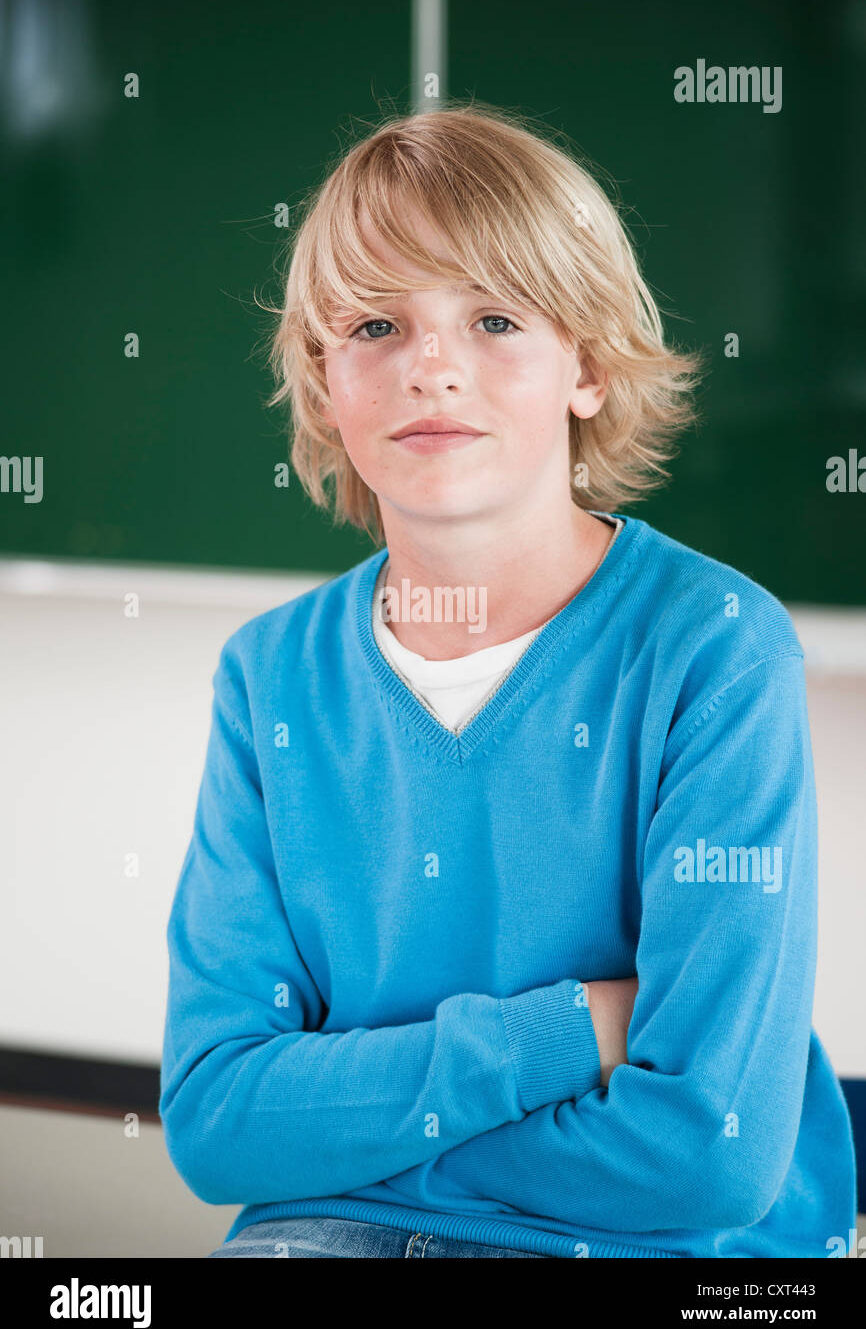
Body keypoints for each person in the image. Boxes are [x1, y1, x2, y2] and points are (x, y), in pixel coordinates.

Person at [159, 102, 857, 1259]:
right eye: (376, 324)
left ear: (584, 367)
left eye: (492, 318)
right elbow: (215, 1125)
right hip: (334, 1227)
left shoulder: (715, 646)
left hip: (659, 1241)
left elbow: (711, 1149)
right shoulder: (268, 676)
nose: (431, 368)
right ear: (325, 379)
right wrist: (567, 1031)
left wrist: (353, 1125)